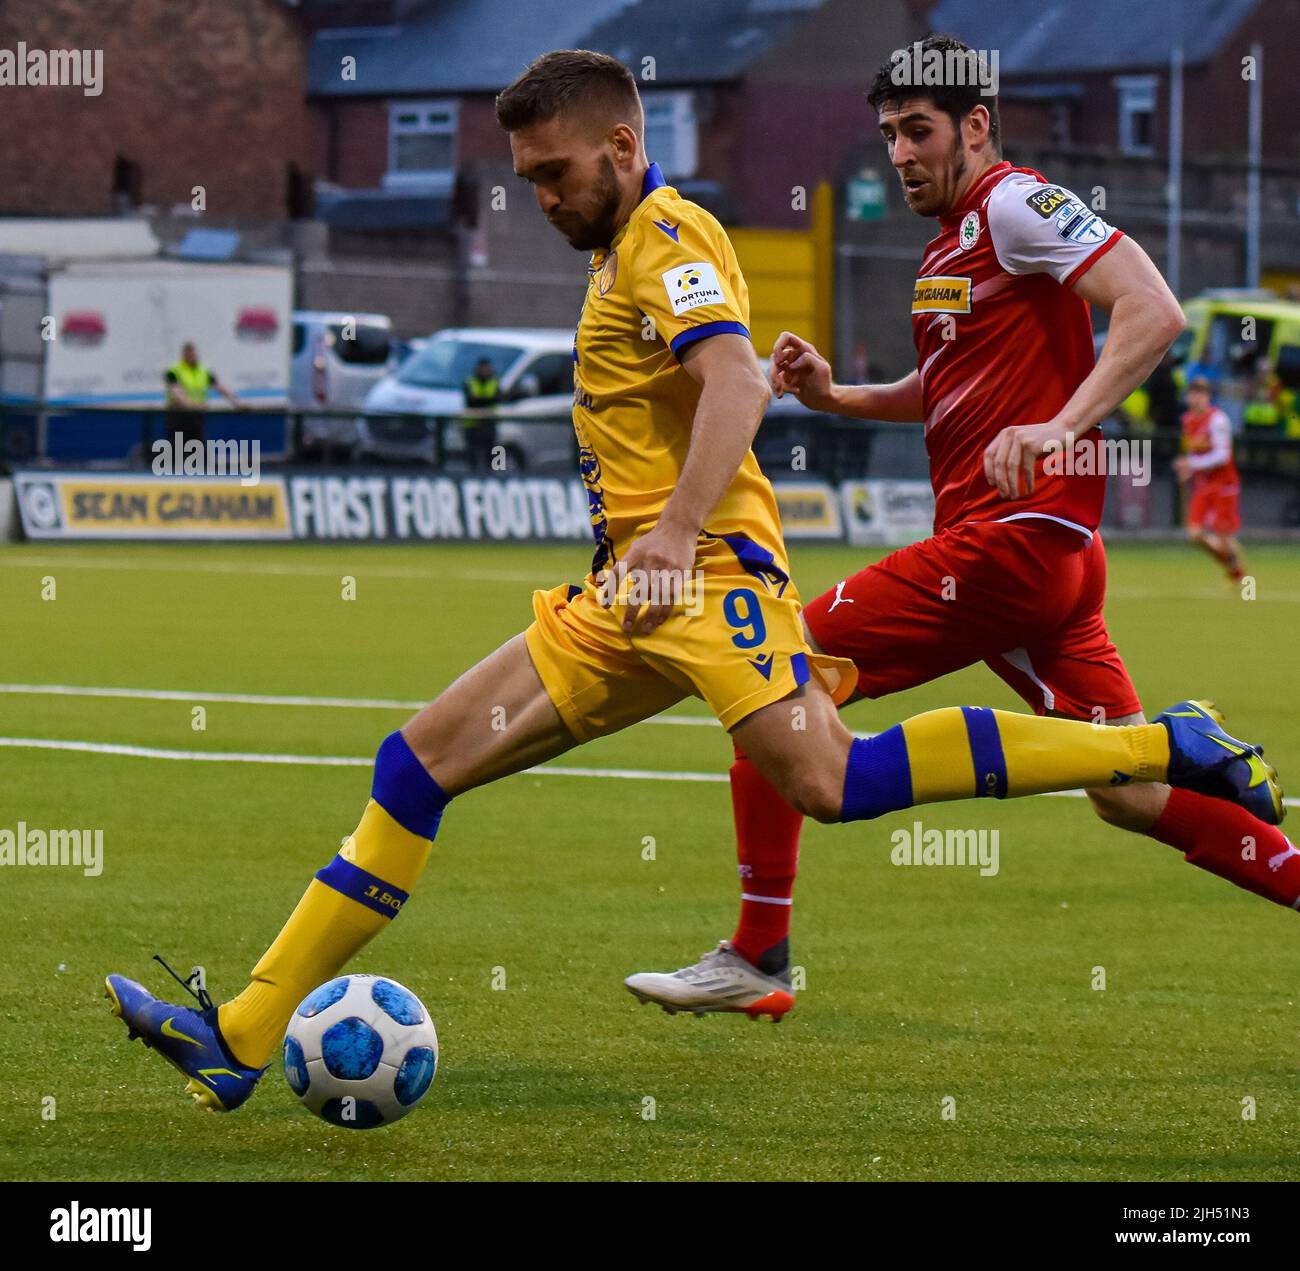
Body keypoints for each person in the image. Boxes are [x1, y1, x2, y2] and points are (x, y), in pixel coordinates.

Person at [104, 49, 1281, 1110]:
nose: (544, 196)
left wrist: (673, 533)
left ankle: (1138, 750)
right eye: (526, 181)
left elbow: (728, 380)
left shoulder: (674, 235)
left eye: (556, 172)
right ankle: (243, 1034)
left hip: (710, 580)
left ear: (622, 144)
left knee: (831, 777)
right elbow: (906, 381)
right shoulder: (662, 246)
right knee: (417, 764)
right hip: (622, 599)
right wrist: (822, 412)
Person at [627, 33, 1296, 1019]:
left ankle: (759, 952)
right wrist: (836, 395)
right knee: (1124, 790)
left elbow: (1151, 310)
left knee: (772, 665)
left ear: (976, 127)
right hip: (1049, 565)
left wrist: (1061, 423)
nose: (899, 151)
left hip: (1011, 545)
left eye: (918, 130)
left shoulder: (1015, 204)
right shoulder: (950, 247)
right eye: (889, 133)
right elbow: (944, 393)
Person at [1176, 376, 1246, 582]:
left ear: (1207, 397)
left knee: (1225, 536)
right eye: (1192, 393)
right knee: (1194, 533)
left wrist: (1191, 465)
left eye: (1200, 394)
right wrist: (1188, 469)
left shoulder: (1218, 420)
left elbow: (1222, 456)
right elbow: (1195, 453)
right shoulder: (1188, 420)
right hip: (1203, 485)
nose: (1195, 398)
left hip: (1224, 485)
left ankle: (1238, 575)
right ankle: (1231, 564)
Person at [163, 342, 242, 446]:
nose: (192, 356)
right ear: (183, 355)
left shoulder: (203, 370)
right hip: (178, 417)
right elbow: (176, 392)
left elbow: (220, 387)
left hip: (197, 418)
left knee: (199, 452)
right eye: (189, 353)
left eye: (193, 353)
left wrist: (237, 402)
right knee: (178, 453)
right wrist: (190, 404)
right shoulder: (174, 371)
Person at [462, 356, 501, 471]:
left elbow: (498, 398)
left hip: (489, 424)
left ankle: (494, 475)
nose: (485, 370)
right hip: (472, 425)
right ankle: (472, 475)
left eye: (487, 367)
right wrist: (487, 400)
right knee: (472, 455)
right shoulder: (470, 381)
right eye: (483, 367)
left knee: (494, 453)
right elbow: (470, 402)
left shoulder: (495, 381)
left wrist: (479, 399)